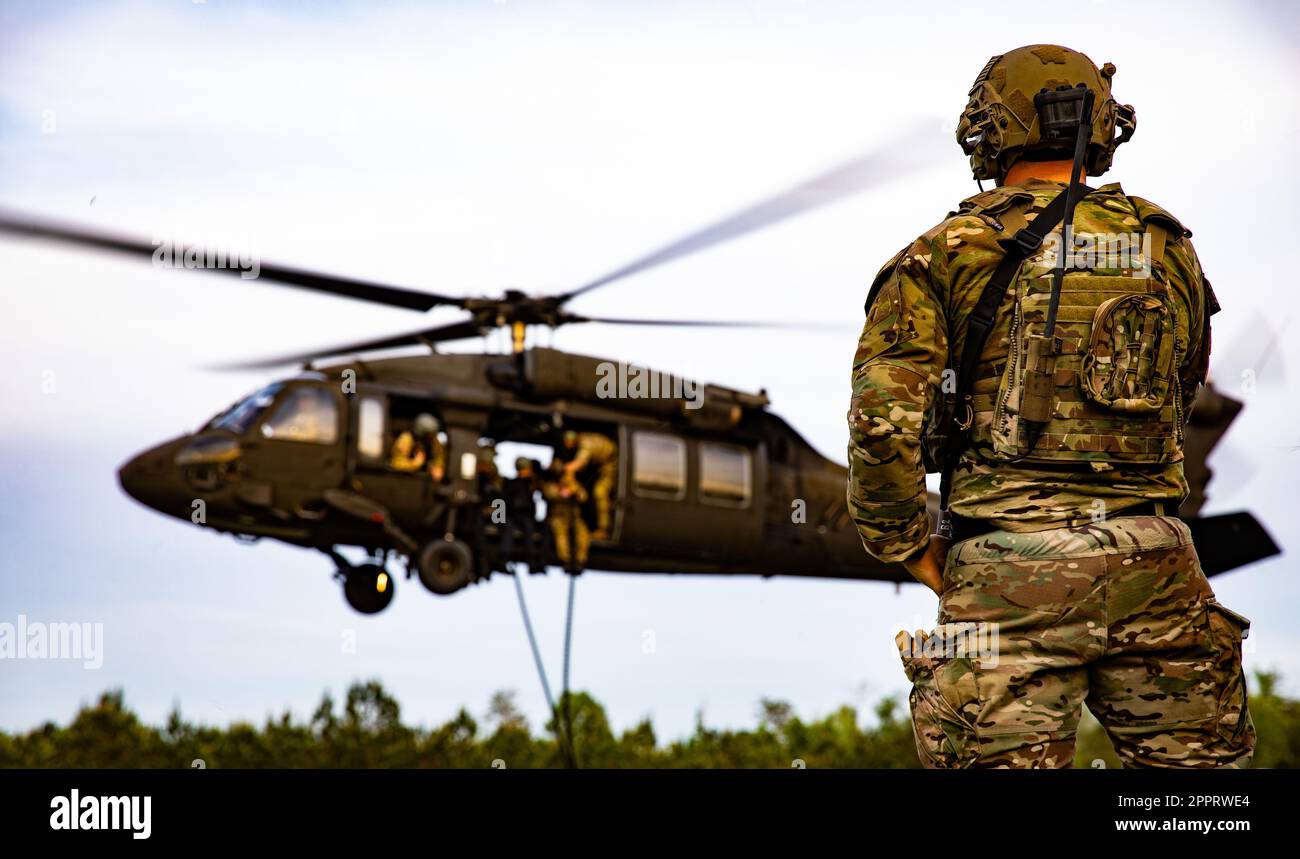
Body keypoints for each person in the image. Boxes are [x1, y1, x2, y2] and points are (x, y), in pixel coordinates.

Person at [847, 44, 1253, 768]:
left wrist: (913, 547)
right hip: (1156, 567)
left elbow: (882, 424)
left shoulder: (942, 255)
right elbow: (1184, 388)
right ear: (1101, 129)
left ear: (990, 130)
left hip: (1003, 571)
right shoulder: (1166, 248)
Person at [560, 429, 617, 540]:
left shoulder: (585, 444)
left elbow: (580, 462)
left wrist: (568, 469)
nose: (567, 445)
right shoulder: (583, 439)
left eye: (567, 442)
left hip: (609, 464)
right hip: (600, 464)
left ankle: (603, 529)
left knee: (600, 492)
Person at [540, 461, 589, 572]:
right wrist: (564, 491)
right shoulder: (549, 485)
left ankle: (580, 560)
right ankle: (565, 560)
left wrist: (572, 488)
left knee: (582, 533)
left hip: (574, 517)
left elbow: (583, 497)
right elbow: (551, 495)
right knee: (560, 534)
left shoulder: (572, 483)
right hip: (557, 517)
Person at [389, 413, 446, 482]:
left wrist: (437, 467)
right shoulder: (406, 440)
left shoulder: (434, 441)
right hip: (404, 480)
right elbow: (397, 464)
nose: (432, 438)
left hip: (426, 481)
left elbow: (439, 456)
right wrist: (415, 464)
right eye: (429, 435)